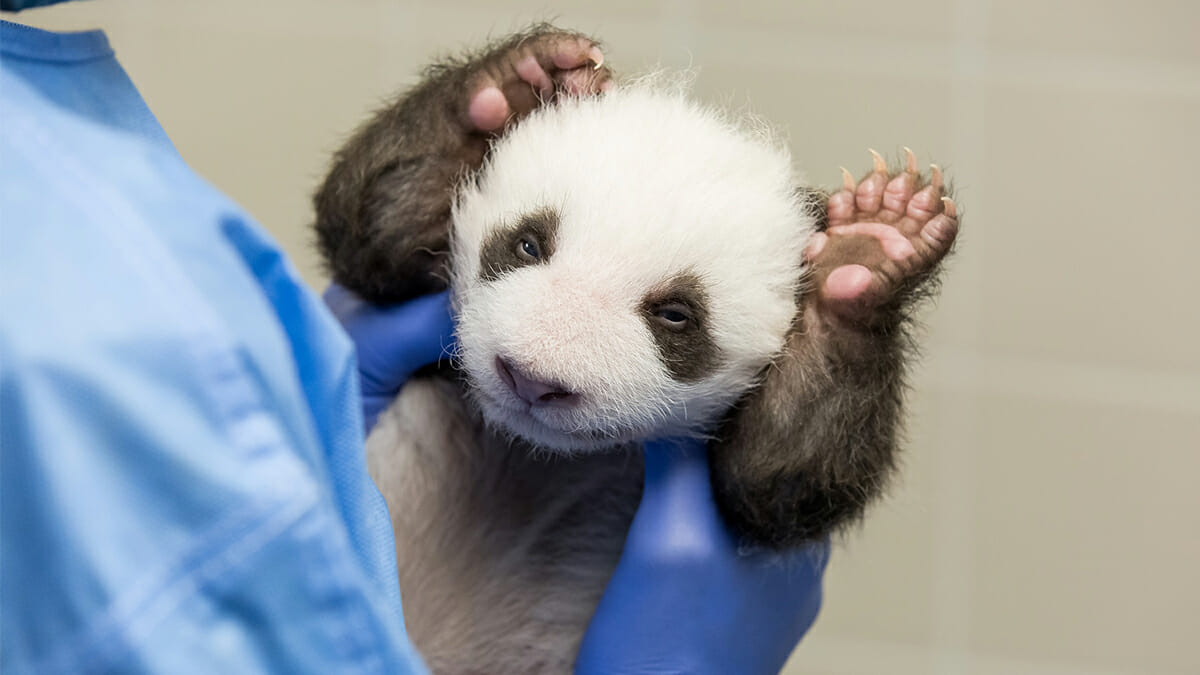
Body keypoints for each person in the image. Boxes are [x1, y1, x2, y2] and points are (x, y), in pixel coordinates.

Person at [0, 3, 829, 673]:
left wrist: (843, 359)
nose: (541, 359)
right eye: (529, 246)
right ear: (468, 196)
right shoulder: (64, 334)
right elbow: (370, 241)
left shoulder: (51, 144)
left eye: (674, 315)